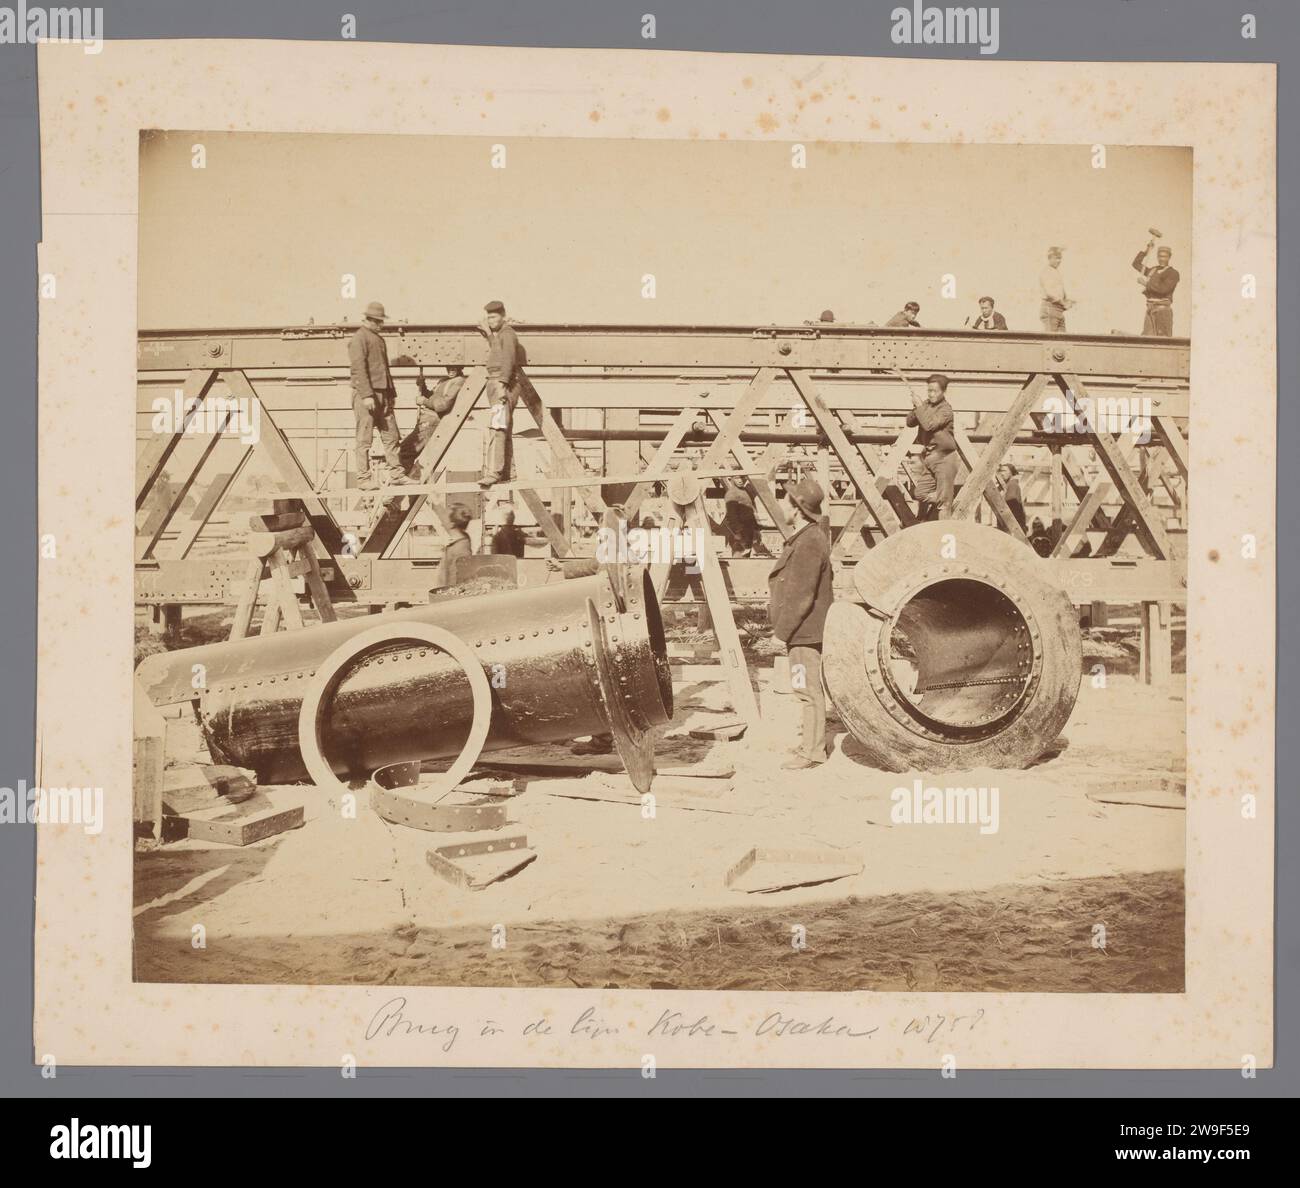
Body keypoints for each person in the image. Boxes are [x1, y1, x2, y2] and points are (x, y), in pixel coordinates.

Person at [767, 478, 834, 771]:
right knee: (804, 688)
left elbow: (802, 596)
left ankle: (812, 752)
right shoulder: (807, 537)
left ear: (798, 508)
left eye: (787, 500)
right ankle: (810, 743)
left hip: (803, 632)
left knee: (808, 690)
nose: (783, 504)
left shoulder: (809, 541)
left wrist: (781, 633)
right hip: (801, 632)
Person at [348, 301, 414, 490]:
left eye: (380, 321)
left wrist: (391, 395)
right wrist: (367, 395)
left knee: (391, 436)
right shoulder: (359, 339)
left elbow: (384, 370)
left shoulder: (378, 339)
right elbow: (358, 369)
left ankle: (397, 474)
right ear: (369, 320)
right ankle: (363, 479)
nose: (380, 325)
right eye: (378, 321)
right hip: (366, 395)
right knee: (364, 438)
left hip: (383, 396)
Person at [478, 300, 527, 487]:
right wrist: (489, 334)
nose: (490, 320)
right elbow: (498, 351)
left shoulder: (507, 334)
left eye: (493, 317)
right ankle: (506, 472)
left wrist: (502, 384)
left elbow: (508, 359)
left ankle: (494, 472)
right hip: (498, 382)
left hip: (500, 384)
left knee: (498, 427)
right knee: (502, 427)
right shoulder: (502, 335)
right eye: (488, 317)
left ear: (502, 315)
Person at [906, 373, 959, 519]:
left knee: (944, 505)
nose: (931, 394)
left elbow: (929, 425)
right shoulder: (926, 406)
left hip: (945, 458)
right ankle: (945, 497)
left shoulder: (946, 410)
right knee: (919, 493)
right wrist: (917, 407)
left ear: (943, 392)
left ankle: (945, 503)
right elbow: (909, 422)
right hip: (930, 458)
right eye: (929, 390)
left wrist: (920, 407)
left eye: (935, 391)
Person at [400, 365, 466, 479]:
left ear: (460, 368)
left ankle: (408, 479)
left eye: (454, 367)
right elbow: (433, 397)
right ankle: (408, 478)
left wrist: (424, 401)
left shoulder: (459, 381)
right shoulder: (444, 380)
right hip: (425, 420)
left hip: (431, 422)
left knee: (406, 450)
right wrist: (423, 387)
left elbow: (442, 405)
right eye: (449, 367)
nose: (450, 370)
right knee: (406, 449)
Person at [1132, 239, 1180, 336]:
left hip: (1162, 311)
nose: (1162, 259)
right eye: (1160, 256)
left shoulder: (1173, 273)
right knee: (1147, 339)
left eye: (1164, 256)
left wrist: (1145, 284)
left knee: (1163, 340)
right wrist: (1146, 251)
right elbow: (1136, 264)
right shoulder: (1152, 270)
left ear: (1169, 257)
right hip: (1150, 309)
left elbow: (1163, 289)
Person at [1039, 247, 1075, 332]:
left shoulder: (1055, 272)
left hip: (1058, 310)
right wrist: (1063, 303)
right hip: (1050, 308)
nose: (1059, 261)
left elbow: (1059, 293)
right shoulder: (1047, 272)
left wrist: (1068, 301)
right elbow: (1050, 294)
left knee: (1062, 340)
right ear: (1050, 258)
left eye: (1060, 258)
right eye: (1056, 258)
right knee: (1051, 340)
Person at [438, 502, 474, 587]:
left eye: (445, 518)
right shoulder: (459, 542)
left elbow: (458, 582)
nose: (441, 522)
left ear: (452, 523)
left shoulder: (460, 547)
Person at [722, 478, 759, 557]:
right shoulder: (732, 494)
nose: (740, 480)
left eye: (742, 477)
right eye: (737, 478)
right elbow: (731, 515)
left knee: (747, 554)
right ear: (731, 479)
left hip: (748, 529)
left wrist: (756, 528)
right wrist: (737, 532)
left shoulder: (745, 492)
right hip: (740, 532)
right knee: (739, 555)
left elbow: (750, 510)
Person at [998, 463, 1027, 532]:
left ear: (1011, 472)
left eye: (1004, 471)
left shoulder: (1012, 485)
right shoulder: (1009, 485)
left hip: (1013, 526)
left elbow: (1010, 504)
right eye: (1001, 471)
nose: (1002, 473)